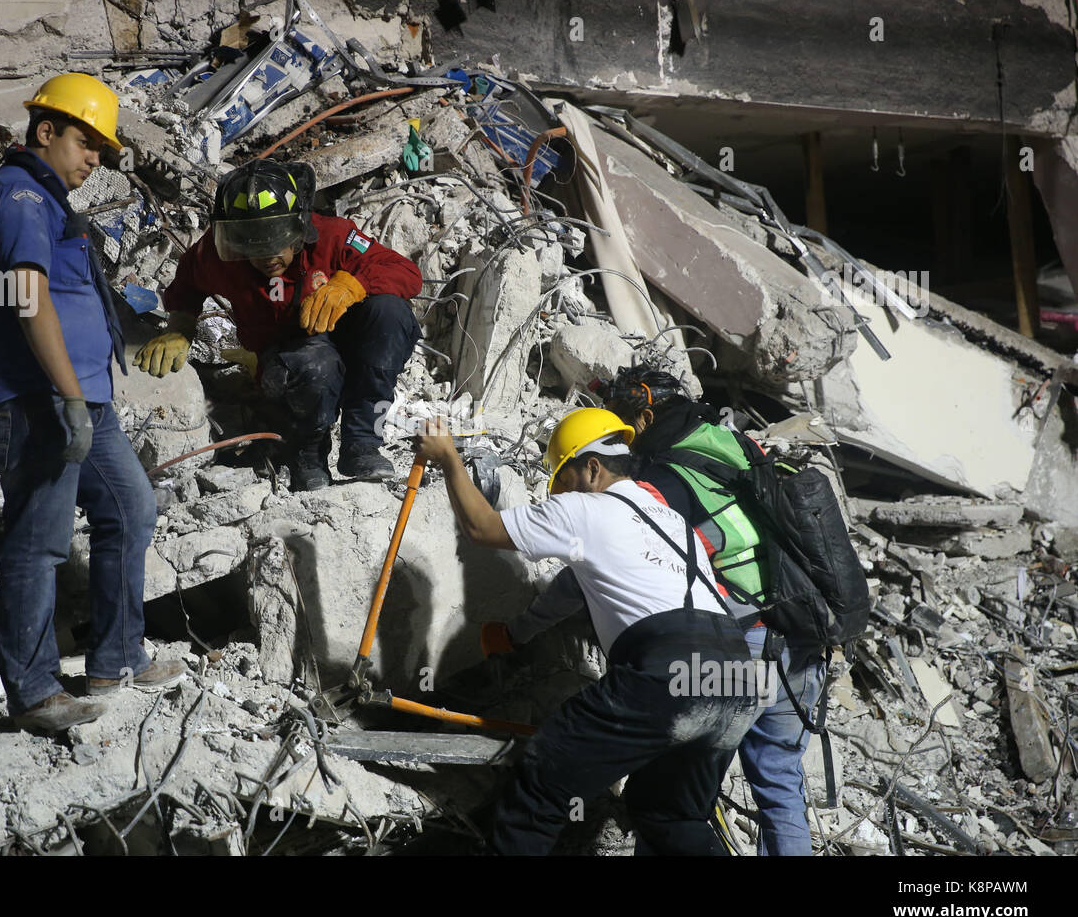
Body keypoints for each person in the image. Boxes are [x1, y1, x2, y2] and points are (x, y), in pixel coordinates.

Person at [509, 366, 826, 855]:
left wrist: (523, 630)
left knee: (649, 800)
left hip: (730, 646)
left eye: (623, 424)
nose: (622, 445)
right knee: (767, 792)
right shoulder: (736, 448)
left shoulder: (656, 480)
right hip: (798, 641)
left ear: (646, 414)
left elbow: (584, 572)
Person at [414, 409, 758, 855]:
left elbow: (482, 528)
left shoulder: (586, 509)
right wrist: (517, 633)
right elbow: (572, 589)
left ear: (591, 467)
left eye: (562, 480)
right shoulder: (671, 522)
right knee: (670, 813)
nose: (559, 493)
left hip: (666, 670)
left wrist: (447, 458)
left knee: (542, 777)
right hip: (737, 678)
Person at [0, 73, 184, 734]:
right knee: (39, 542)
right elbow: (30, 302)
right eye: (87, 143)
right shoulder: (20, 198)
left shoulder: (49, 202)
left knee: (131, 508)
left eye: (102, 150)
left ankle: (115, 659)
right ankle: (34, 694)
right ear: (46, 131)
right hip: (40, 402)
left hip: (82, 401)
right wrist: (66, 397)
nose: (95, 159)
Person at [136, 159, 422, 490]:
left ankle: (362, 442)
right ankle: (307, 451)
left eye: (275, 240)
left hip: (347, 349)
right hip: (286, 362)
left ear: (299, 227)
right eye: (252, 243)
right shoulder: (219, 253)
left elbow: (404, 271)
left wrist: (352, 284)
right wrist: (180, 327)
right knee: (316, 363)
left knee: (391, 312)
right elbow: (187, 281)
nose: (266, 255)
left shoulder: (333, 236)